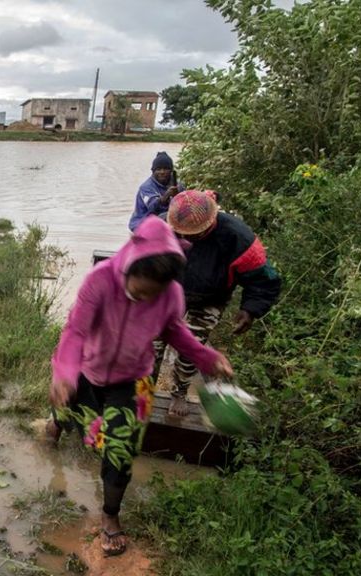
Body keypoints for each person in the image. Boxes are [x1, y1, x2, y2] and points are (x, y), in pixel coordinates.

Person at [49, 216, 234, 557]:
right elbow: (74, 332)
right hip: (86, 368)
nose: (143, 296)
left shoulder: (171, 295)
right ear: (129, 266)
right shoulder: (100, 281)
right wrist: (64, 373)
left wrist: (207, 357)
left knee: (121, 448)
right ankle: (55, 425)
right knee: (65, 402)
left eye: (152, 293)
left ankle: (110, 516)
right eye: (139, 288)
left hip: (131, 378)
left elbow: (175, 331)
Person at [156, 190, 281, 417]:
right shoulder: (166, 226)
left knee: (192, 347)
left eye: (193, 235)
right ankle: (140, 392)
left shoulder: (237, 238)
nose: (187, 239)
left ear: (209, 223)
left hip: (210, 296)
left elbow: (264, 280)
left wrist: (250, 310)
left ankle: (179, 392)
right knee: (150, 345)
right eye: (182, 234)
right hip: (168, 291)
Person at [128, 151, 180, 232]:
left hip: (163, 220)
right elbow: (152, 206)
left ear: (171, 171)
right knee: (168, 217)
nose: (162, 172)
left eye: (166, 169)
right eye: (158, 169)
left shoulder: (178, 185)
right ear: (153, 171)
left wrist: (178, 196)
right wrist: (166, 196)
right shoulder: (146, 187)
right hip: (143, 222)